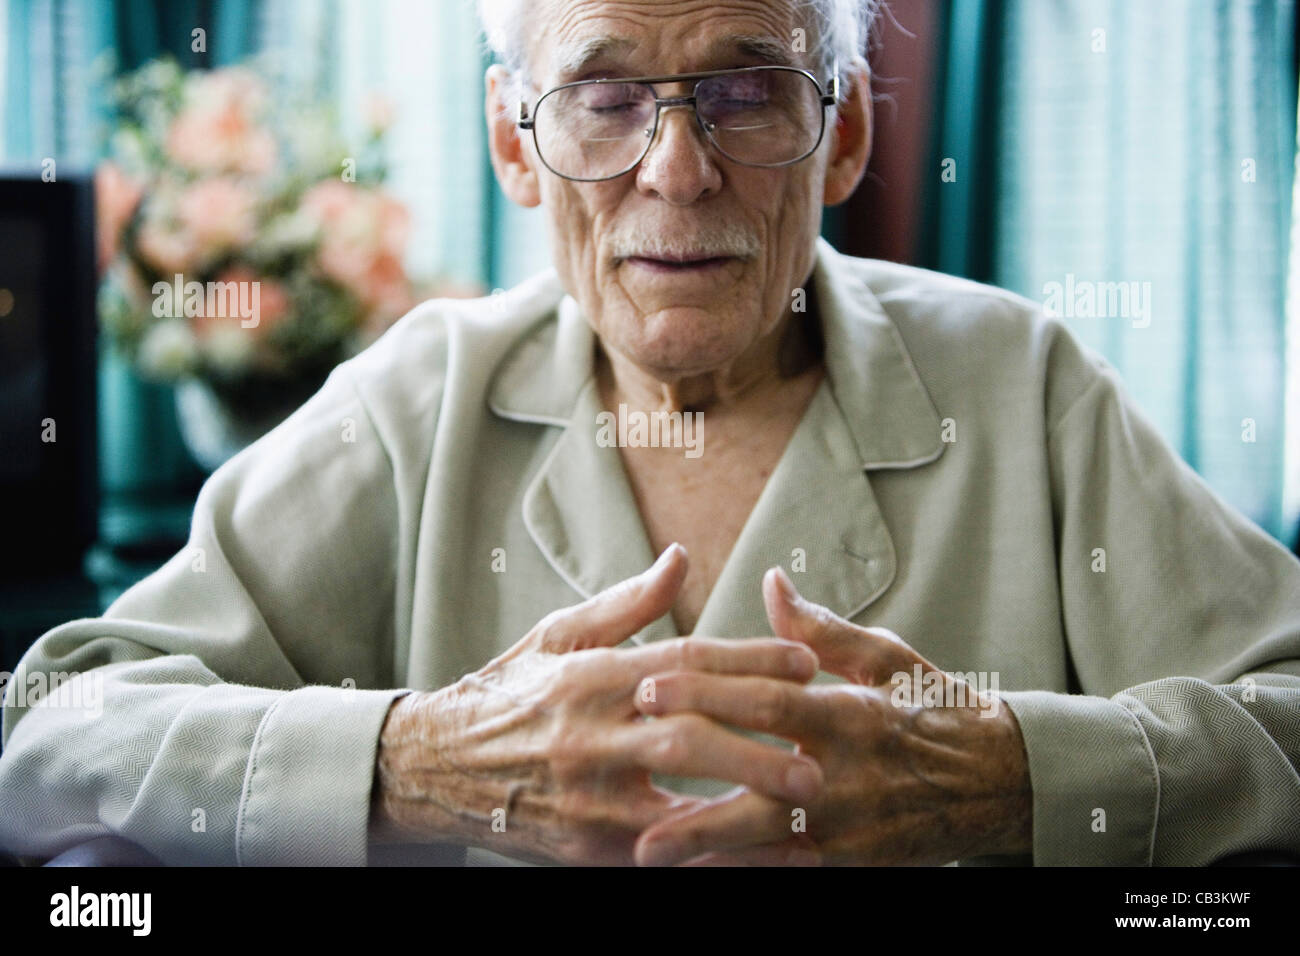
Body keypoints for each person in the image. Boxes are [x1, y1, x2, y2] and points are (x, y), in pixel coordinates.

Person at [3, 0, 1299, 867]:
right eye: (605, 99)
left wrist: (1018, 774)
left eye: (747, 91)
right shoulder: (423, 400)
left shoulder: (1019, 381)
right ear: (517, 144)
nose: (677, 169)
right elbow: (51, 726)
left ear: (842, 133)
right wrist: (411, 759)